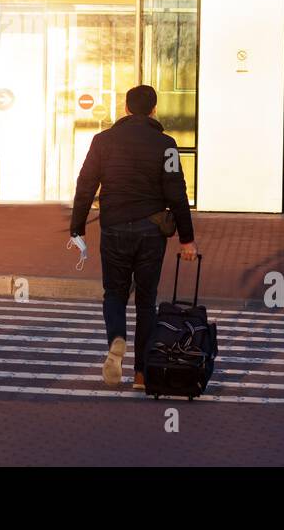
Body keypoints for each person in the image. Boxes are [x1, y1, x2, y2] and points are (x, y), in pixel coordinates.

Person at [70, 84, 196, 392]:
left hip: (114, 229)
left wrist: (78, 228)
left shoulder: (103, 141)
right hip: (151, 232)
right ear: (154, 110)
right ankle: (141, 374)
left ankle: (117, 338)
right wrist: (186, 239)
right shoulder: (166, 144)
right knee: (146, 301)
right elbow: (177, 194)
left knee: (114, 294)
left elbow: (85, 184)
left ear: (126, 109)